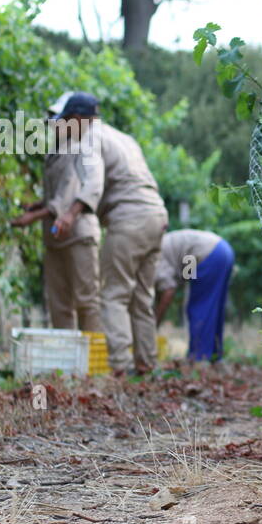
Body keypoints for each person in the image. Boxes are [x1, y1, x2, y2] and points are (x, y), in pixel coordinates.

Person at [53, 92, 168, 376]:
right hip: (156, 215)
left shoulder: (89, 139)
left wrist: (69, 214)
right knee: (142, 297)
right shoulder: (123, 138)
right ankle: (146, 364)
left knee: (113, 295)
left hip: (128, 219)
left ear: (78, 120)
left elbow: (93, 182)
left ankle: (120, 368)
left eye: (66, 122)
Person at [8, 92, 103, 331]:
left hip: (78, 233)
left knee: (85, 299)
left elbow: (67, 196)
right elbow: (57, 195)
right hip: (56, 236)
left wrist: (32, 217)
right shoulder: (55, 151)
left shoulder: (81, 148)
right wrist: (38, 206)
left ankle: (91, 361)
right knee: (59, 302)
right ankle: (66, 361)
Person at [154, 228, 234, 362]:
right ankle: (214, 356)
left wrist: (155, 323)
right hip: (223, 250)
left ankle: (199, 359)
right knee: (213, 309)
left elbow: (168, 291)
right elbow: (183, 273)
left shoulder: (155, 255)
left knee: (199, 309)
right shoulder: (161, 244)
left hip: (210, 254)